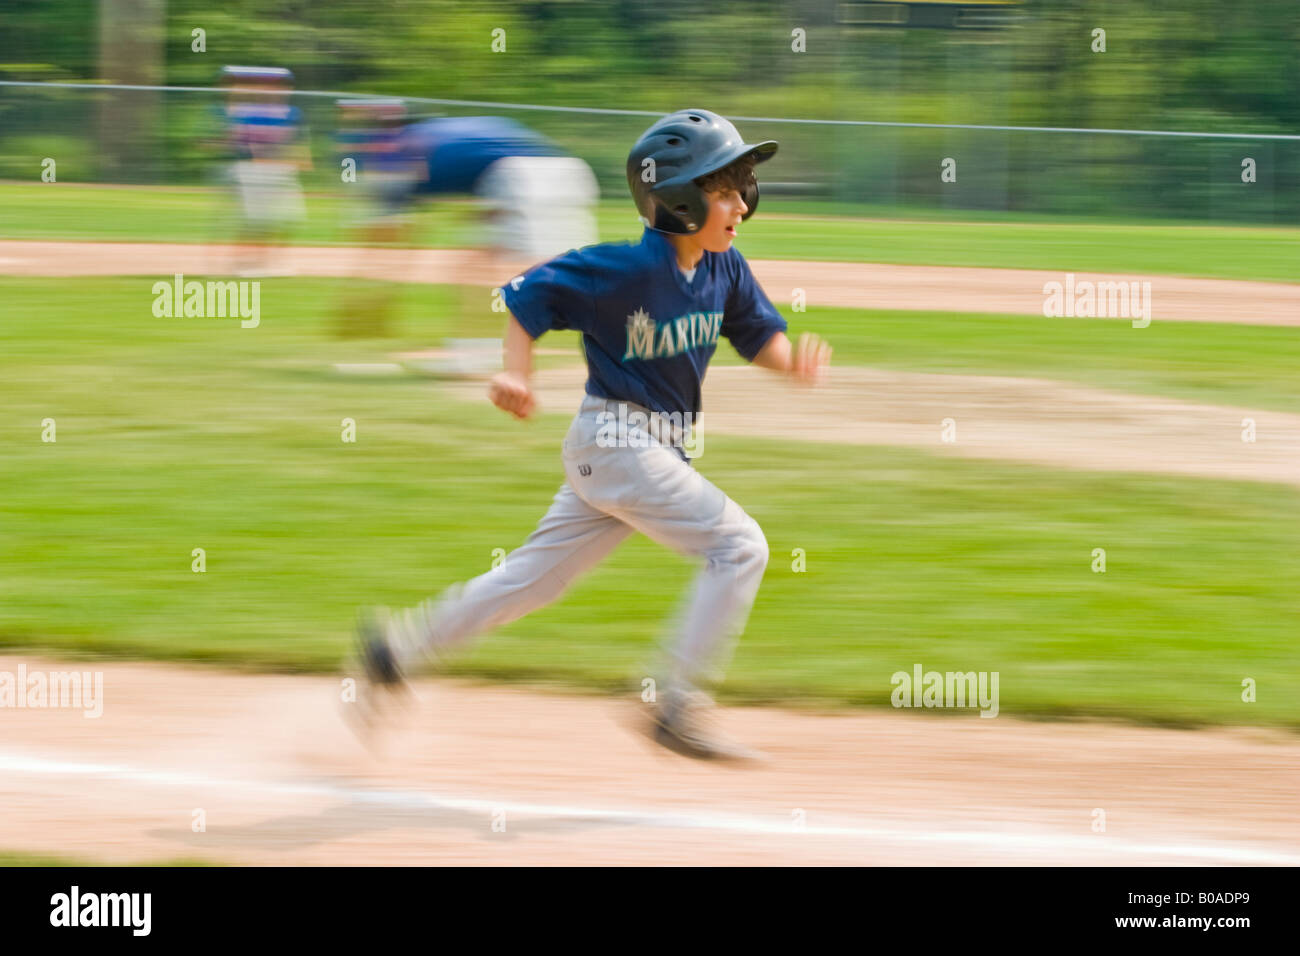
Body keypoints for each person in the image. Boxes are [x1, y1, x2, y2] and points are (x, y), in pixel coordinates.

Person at [351, 110, 832, 761]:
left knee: (530, 583)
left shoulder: (725, 270)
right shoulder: (621, 270)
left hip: (636, 456)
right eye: (724, 189)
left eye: (742, 187)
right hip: (616, 442)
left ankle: (396, 651)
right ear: (680, 199)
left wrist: (790, 364)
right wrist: (516, 376)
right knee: (739, 545)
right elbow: (525, 298)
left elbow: (755, 334)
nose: (741, 204)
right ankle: (674, 703)